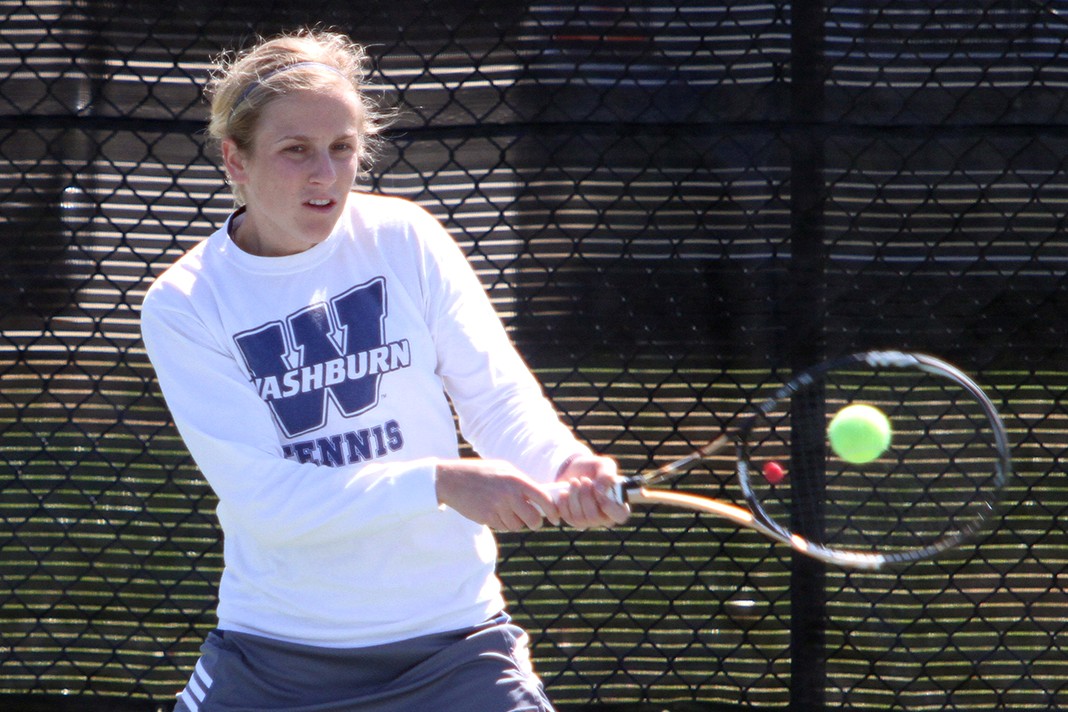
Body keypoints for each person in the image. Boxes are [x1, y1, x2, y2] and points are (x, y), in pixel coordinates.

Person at [139, 28, 629, 712]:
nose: (326, 175)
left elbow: (496, 397)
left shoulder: (407, 237)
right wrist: (438, 482)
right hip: (276, 662)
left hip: (456, 648)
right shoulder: (184, 303)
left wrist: (563, 463)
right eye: (296, 151)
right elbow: (267, 502)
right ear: (235, 159)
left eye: (342, 148)